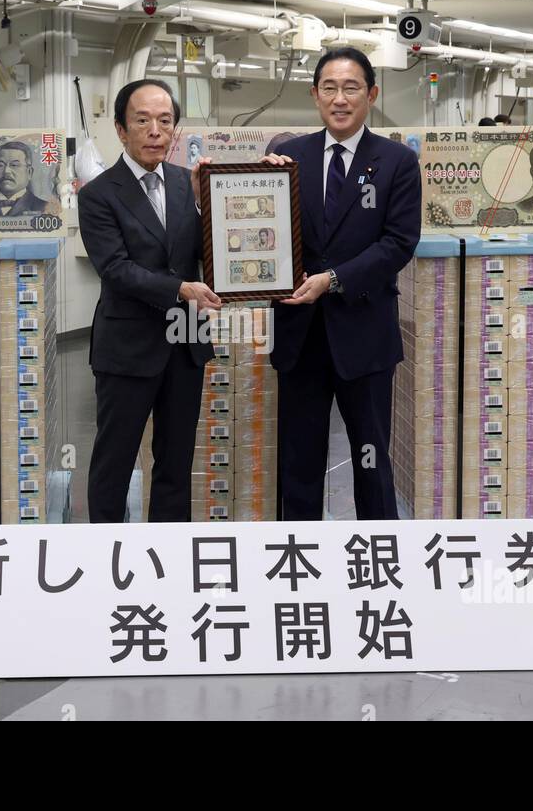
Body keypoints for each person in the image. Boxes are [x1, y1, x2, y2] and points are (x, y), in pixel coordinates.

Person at [258, 46, 421, 521]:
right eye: (329, 88)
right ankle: (301, 558)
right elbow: (256, 228)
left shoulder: (396, 162)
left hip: (364, 336)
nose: (340, 98)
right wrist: (253, 185)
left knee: (371, 459)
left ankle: (381, 556)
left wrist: (333, 280)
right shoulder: (286, 157)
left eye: (351, 88)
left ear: (371, 94)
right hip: (299, 336)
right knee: (299, 461)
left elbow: (398, 243)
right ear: (314, 95)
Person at [77, 79, 221, 523]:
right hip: (127, 347)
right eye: (142, 121)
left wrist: (209, 205)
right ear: (121, 129)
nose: (155, 130)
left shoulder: (188, 184)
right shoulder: (98, 195)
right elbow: (116, 269)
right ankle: (105, 554)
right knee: (114, 462)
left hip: (186, 343)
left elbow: (211, 253)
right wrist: (179, 290)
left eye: (165, 121)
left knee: (176, 462)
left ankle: (169, 557)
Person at [0, 140, 48, 216]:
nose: (6, 171)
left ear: (29, 172)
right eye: (0, 165)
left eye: (14, 165)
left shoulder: (45, 208)